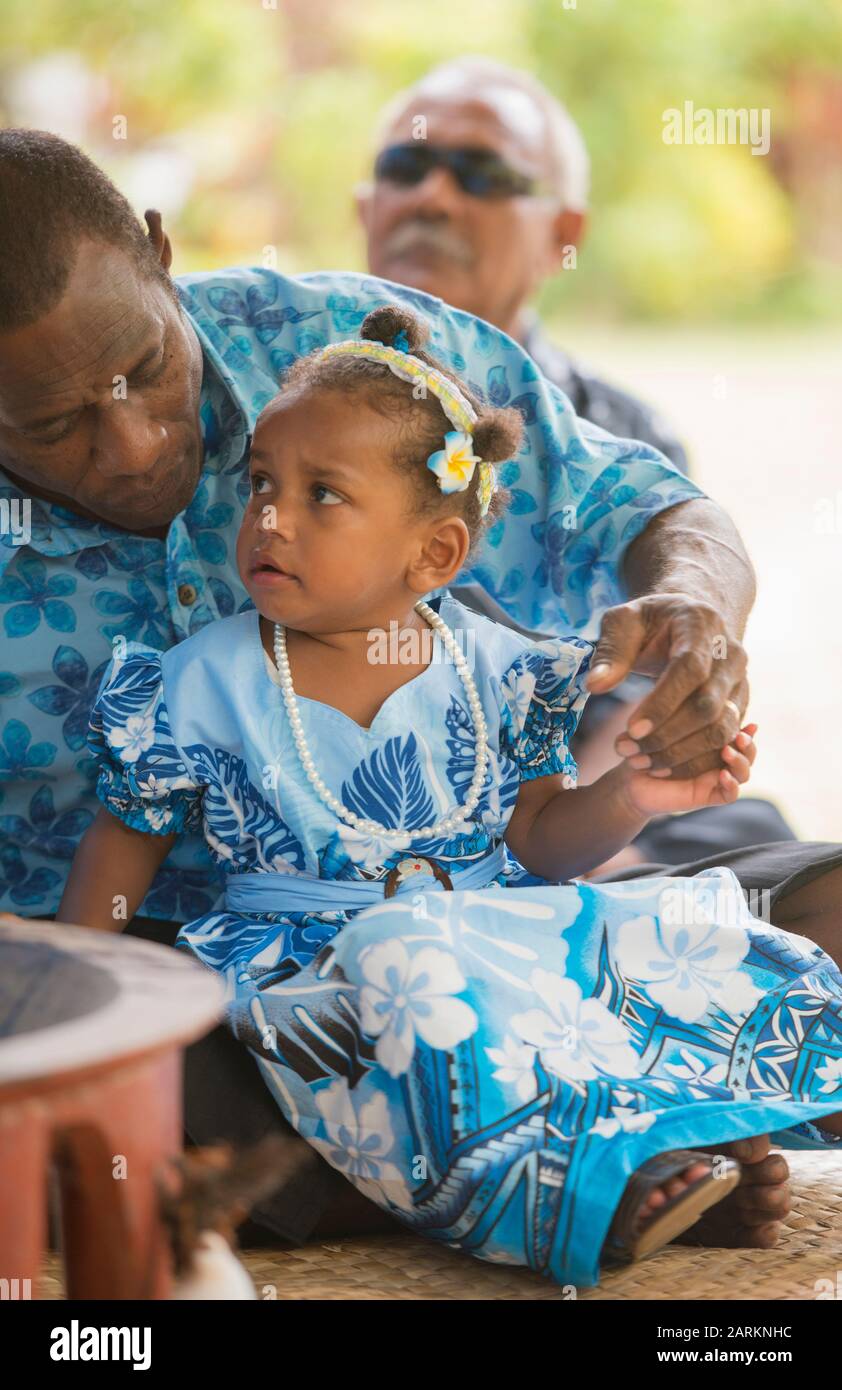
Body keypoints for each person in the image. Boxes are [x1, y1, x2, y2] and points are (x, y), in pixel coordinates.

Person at [3, 127, 842, 1251]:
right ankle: (581, 1147)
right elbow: (94, 916)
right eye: (53, 425)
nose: (133, 443)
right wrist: (84, 1010)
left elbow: (648, 513)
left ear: (158, 254)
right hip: (197, 987)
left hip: (495, 919)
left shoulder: (349, 363)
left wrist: (685, 642)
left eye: (149, 368)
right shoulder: (175, 696)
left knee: (794, 924)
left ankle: (535, 1143)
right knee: (108, 1108)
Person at [356, 55, 796, 864]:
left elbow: (638, 700)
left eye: (483, 175)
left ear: (564, 233)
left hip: (580, 813)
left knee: (767, 852)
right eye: (405, 167)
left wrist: (582, 843)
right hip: (335, 817)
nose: (433, 197)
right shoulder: (298, 415)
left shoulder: (620, 438)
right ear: (365, 207)